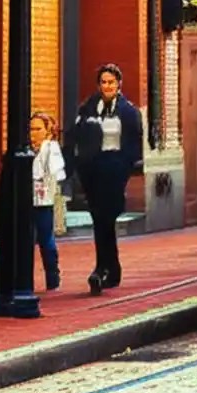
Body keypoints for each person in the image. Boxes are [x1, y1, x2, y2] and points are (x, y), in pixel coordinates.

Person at [69, 63, 144, 295]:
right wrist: (80, 165)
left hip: (114, 169)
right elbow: (77, 137)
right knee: (99, 220)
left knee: (106, 218)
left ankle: (104, 268)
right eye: (104, 82)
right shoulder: (88, 107)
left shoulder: (129, 112)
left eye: (111, 82)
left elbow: (135, 144)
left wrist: (125, 168)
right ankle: (109, 268)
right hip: (93, 170)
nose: (107, 86)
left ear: (118, 84)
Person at [29, 112, 66, 290]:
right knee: (26, 241)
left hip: (44, 201)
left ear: (47, 131)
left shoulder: (52, 148)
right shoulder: (25, 148)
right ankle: (24, 280)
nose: (33, 133)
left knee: (46, 240)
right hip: (26, 201)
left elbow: (56, 172)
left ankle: (53, 277)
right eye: (31, 129)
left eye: (38, 129)